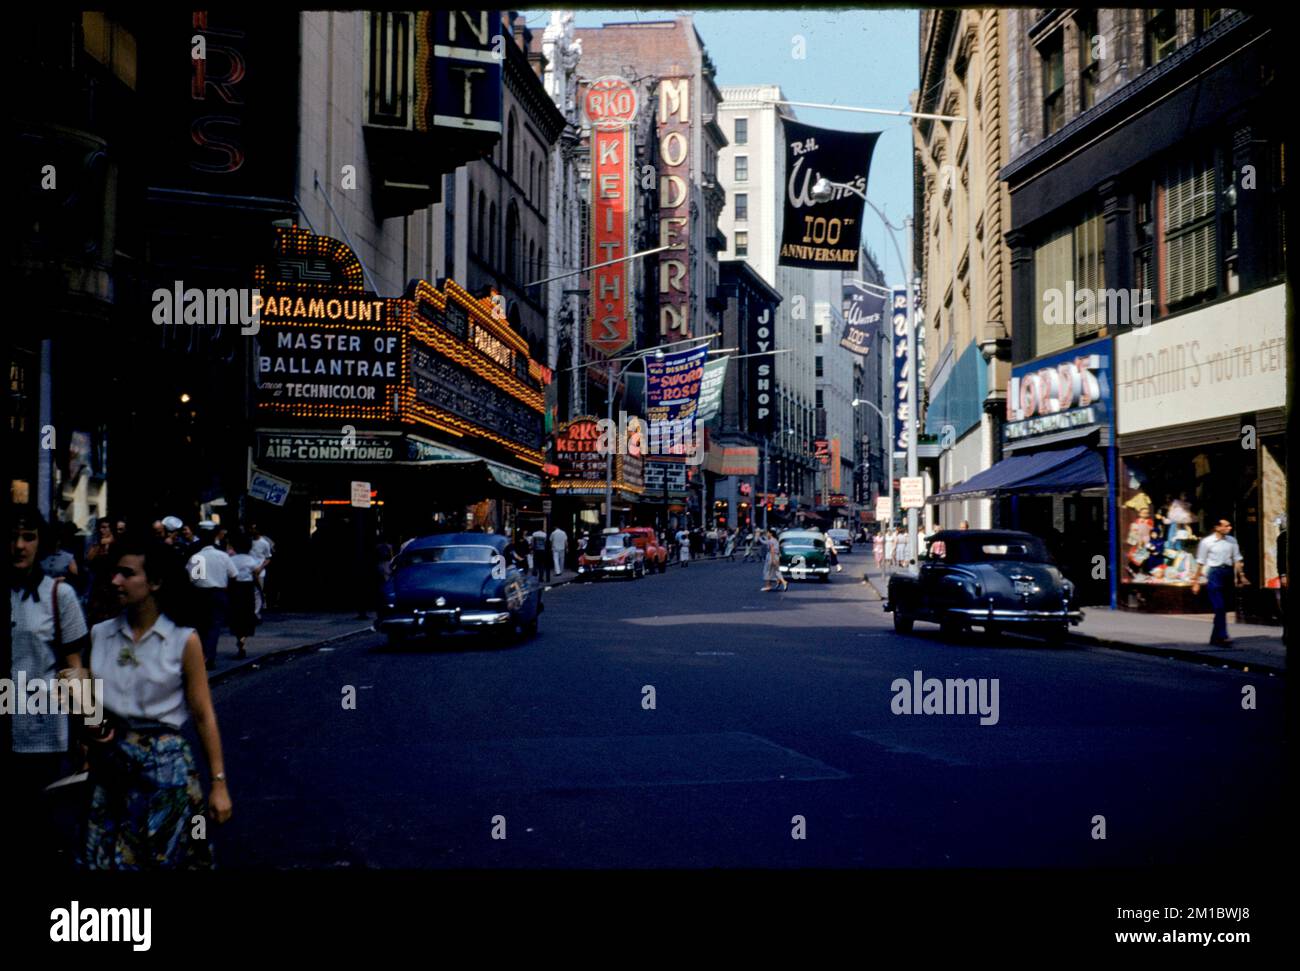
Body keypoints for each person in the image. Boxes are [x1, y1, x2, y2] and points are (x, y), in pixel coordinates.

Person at [80, 535, 231, 868]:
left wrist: (218, 784)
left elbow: (204, 714)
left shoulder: (183, 640)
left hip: (170, 773)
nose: (115, 581)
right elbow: (94, 717)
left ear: (155, 582)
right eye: (114, 573)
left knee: (176, 856)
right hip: (113, 774)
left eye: (127, 573)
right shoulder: (100, 635)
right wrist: (83, 710)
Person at [7, 506, 91, 870]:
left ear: (41, 543)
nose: (19, 546)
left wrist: (92, 728)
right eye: (12, 537)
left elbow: (75, 667)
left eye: (28, 537)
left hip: (42, 738)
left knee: (44, 842)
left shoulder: (60, 596)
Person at [1190, 518, 1248, 646]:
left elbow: (1237, 559)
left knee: (1224, 607)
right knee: (1219, 606)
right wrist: (1196, 581)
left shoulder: (1232, 541)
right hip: (1214, 573)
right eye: (1226, 526)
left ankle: (1215, 637)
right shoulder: (1207, 542)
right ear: (1217, 527)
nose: (1229, 528)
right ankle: (1223, 635)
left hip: (1227, 573)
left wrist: (1241, 575)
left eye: (1230, 526)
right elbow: (1200, 562)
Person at [186, 526, 237, 669]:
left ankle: (202, 655)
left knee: (201, 626)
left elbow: (194, 579)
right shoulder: (222, 555)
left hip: (200, 594)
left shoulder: (197, 558)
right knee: (215, 626)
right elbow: (234, 574)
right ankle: (210, 657)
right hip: (218, 593)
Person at [226, 532, 264, 660]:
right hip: (248, 588)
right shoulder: (251, 560)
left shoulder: (231, 559)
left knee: (236, 615)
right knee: (247, 614)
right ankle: (243, 639)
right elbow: (257, 572)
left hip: (235, 588)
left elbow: (229, 573)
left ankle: (239, 638)